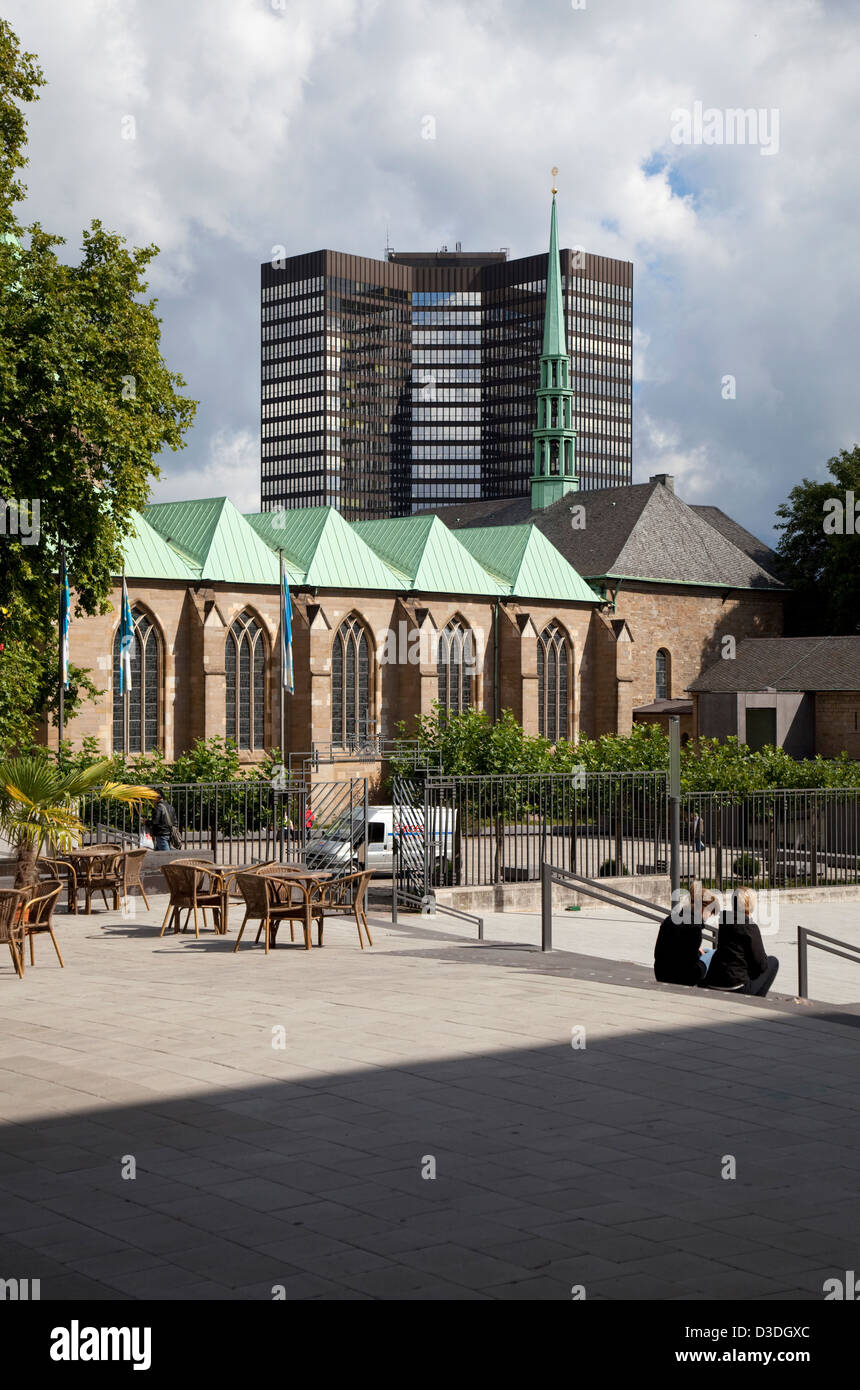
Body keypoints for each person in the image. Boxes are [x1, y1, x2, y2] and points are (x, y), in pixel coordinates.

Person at [702, 887, 779, 997]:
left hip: (715, 979)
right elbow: (761, 964)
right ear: (751, 904)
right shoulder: (749, 927)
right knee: (773, 962)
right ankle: (757, 1001)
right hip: (736, 985)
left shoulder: (724, 921)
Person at [653, 883, 719, 986]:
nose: (709, 916)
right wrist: (698, 954)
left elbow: (659, 952)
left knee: (706, 951)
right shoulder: (694, 928)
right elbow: (689, 963)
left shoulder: (670, 919)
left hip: (661, 973)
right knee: (713, 953)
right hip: (682, 978)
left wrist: (698, 952)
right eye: (711, 912)